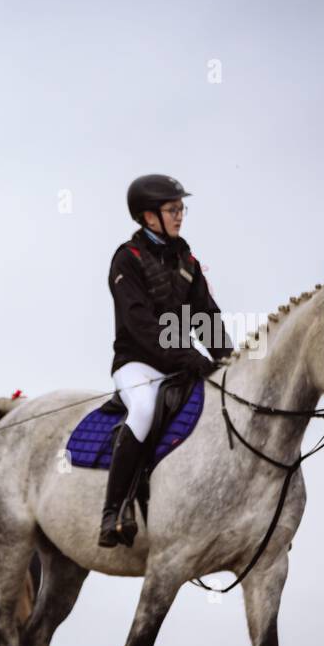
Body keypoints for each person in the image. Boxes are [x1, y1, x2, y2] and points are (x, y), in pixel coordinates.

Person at [100, 174, 232, 547]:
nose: (179, 216)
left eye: (181, 209)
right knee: (142, 409)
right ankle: (112, 512)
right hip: (137, 364)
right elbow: (140, 324)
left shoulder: (187, 262)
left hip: (179, 365)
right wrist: (187, 355)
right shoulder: (128, 259)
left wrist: (228, 363)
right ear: (148, 216)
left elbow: (206, 318)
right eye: (172, 209)